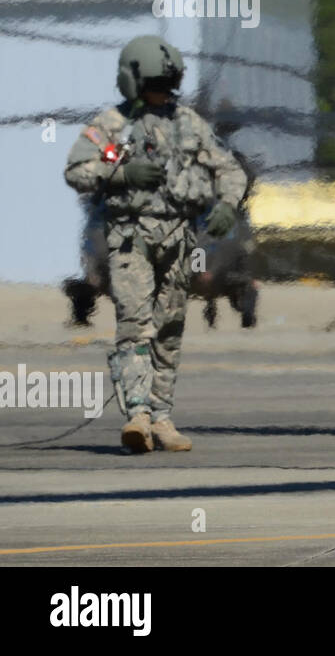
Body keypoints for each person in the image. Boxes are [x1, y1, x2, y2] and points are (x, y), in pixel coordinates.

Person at [64, 35, 247, 453]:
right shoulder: (113, 125)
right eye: (152, 86)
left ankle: (162, 417)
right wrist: (122, 175)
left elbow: (230, 169)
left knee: (169, 328)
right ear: (134, 82)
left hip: (177, 239)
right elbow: (77, 170)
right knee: (135, 325)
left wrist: (228, 204)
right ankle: (138, 415)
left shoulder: (189, 123)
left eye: (166, 85)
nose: (160, 94)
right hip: (131, 239)